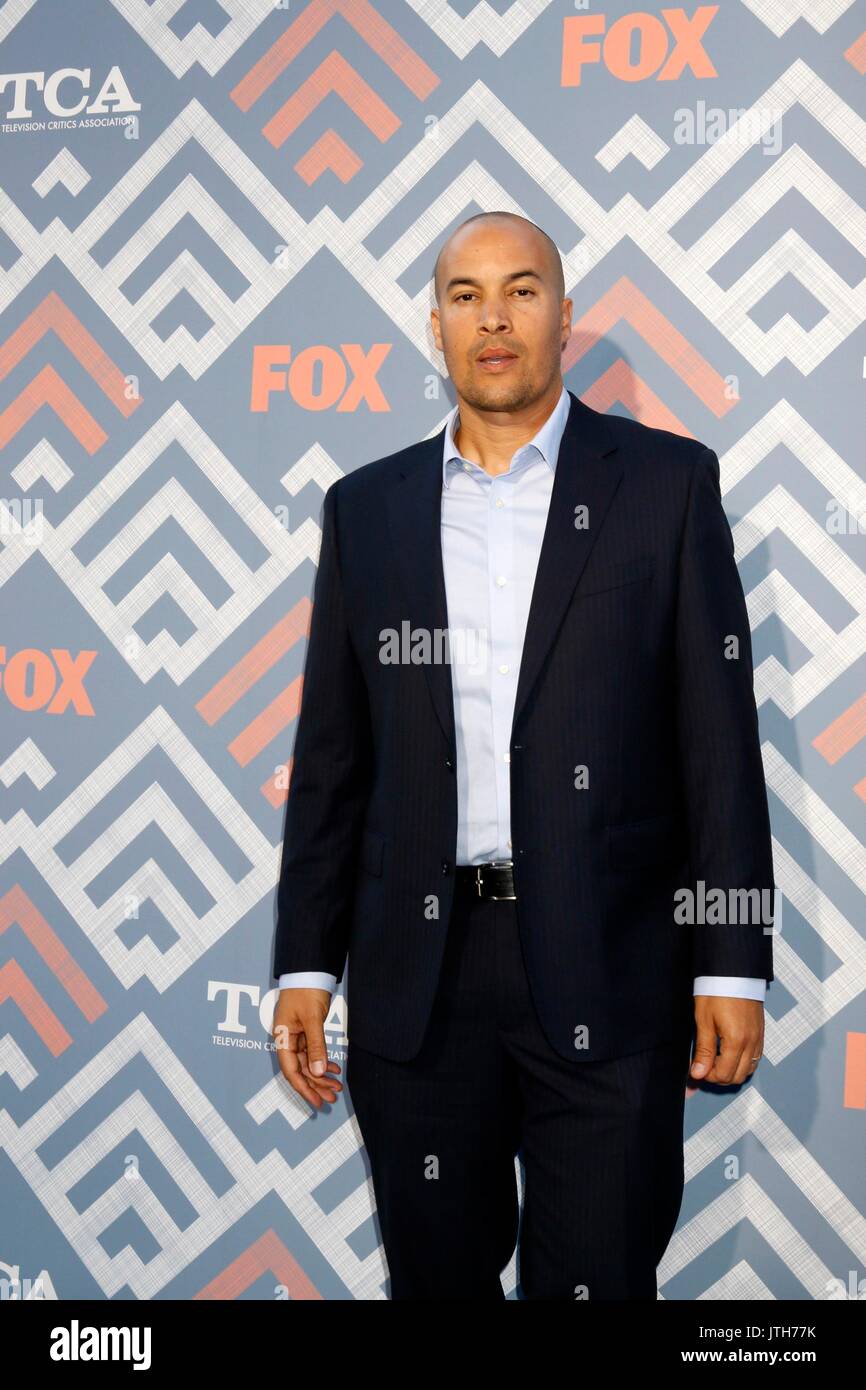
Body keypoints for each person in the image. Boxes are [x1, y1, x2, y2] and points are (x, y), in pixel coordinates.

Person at [271, 211, 775, 1300]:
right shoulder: (367, 511)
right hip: (419, 981)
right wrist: (306, 962)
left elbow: (716, 749)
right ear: (435, 325)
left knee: (595, 1277)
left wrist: (729, 957)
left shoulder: (664, 484)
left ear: (563, 313)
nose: (492, 317)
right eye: (464, 295)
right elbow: (332, 759)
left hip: (610, 960)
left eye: (520, 288)